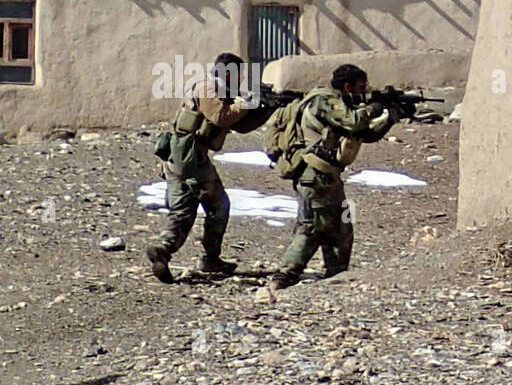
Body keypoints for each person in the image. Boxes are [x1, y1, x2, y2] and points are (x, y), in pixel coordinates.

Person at [146, 53, 272, 284]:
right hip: (189, 157)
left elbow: (240, 125)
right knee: (218, 205)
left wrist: (264, 108)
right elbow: (221, 116)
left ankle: (162, 250)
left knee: (184, 210)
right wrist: (246, 101)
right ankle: (209, 258)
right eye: (238, 75)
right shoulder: (208, 87)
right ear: (227, 73)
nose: (240, 80)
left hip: (183, 157)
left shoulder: (219, 89)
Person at [271, 64, 395, 289]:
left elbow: (363, 134)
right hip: (313, 175)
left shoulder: (343, 106)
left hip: (329, 177)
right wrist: (375, 109)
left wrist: (391, 118)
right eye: (360, 87)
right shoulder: (326, 100)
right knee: (312, 228)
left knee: (342, 225)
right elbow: (354, 122)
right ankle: (283, 276)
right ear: (347, 86)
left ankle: (336, 275)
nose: (363, 91)